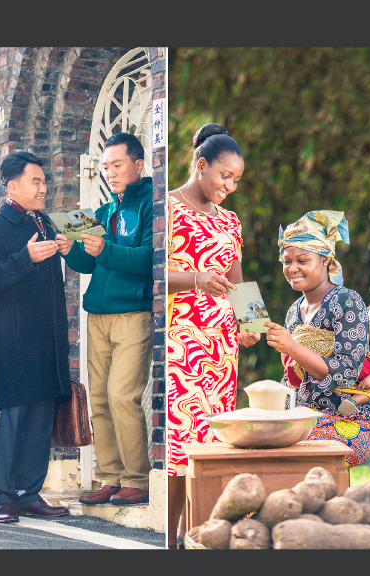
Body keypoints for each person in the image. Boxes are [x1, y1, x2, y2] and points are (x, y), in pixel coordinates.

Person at [165, 124, 257, 547]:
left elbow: (237, 280)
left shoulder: (231, 221)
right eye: (224, 176)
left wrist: (250, 324)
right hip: (180, 343)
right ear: (201, 166)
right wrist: (196, 278)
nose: (230, 186)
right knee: (180, 441)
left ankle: (200, 537)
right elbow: (152, 275)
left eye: (236, 180)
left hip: (220, 350)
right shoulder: (166, 208)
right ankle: (169, 539)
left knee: (211, 442)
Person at [52, 133, 154, 506]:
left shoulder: (151, 206)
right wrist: (69, 250)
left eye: (118, 164)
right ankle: (109, 477)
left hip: (133, 314)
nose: (110, 173)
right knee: (98, 398)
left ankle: (137, 478)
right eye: (106, 166)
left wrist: (105, 249)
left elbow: (148, 261)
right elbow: (89, 264)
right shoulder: (105, 211)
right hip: (97, 314)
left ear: (138, 165)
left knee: (122, 395)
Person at [0, 151, 72, 523]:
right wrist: (25, 257)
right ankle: (0, 496)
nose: (43, 188)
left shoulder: (46, 223)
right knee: (12, 417)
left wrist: (66, 247)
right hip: (14, 341)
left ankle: (29, 493)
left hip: (48, 339)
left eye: (44, 181)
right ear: (12, 187)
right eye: (36, 181)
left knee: (41, 419)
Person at [263, 210, 370, 466]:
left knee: (288, 450)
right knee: (255, 439)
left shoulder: (347, 301)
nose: (292, 268)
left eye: (302, 260)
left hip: (354, 419)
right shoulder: (294, 312)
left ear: (325, 260)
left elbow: (345, 373)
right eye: (286, 261)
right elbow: (293, 378)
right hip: (306, 416)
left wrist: (293, 347)